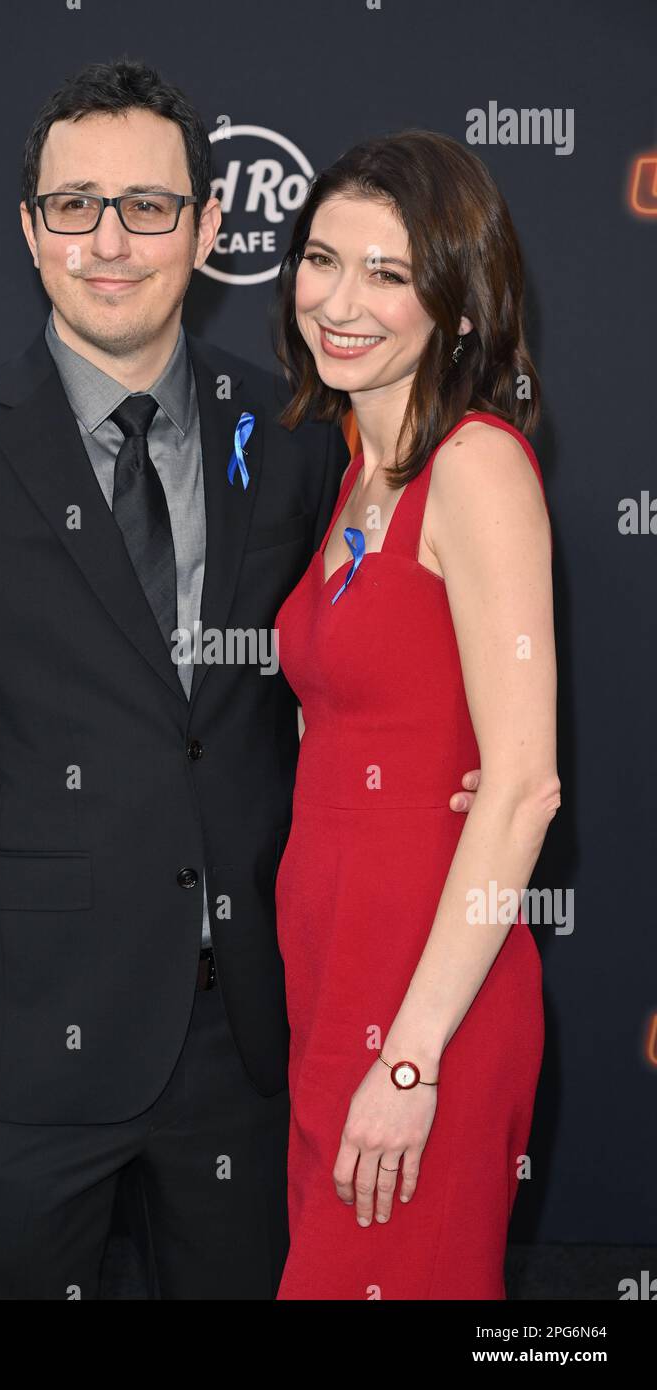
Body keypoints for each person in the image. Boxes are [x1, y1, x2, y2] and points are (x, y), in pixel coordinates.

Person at [0, 63, 481, 1299]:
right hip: (15, 1057)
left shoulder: (291, 440)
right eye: (74, 206)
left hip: (249, 1045)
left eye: (149, 206)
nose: (109, 241)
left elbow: (358, 683)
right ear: (28, 229)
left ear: (208, 230)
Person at [272, 129, 557, 1300]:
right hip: (333, 971)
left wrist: (408, 1060)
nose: (339, 302)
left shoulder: (476, 467)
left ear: (459, 302)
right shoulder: (359, 464)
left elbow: (528, 782)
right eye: (322, 260)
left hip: (424, 994)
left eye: (388, 275)